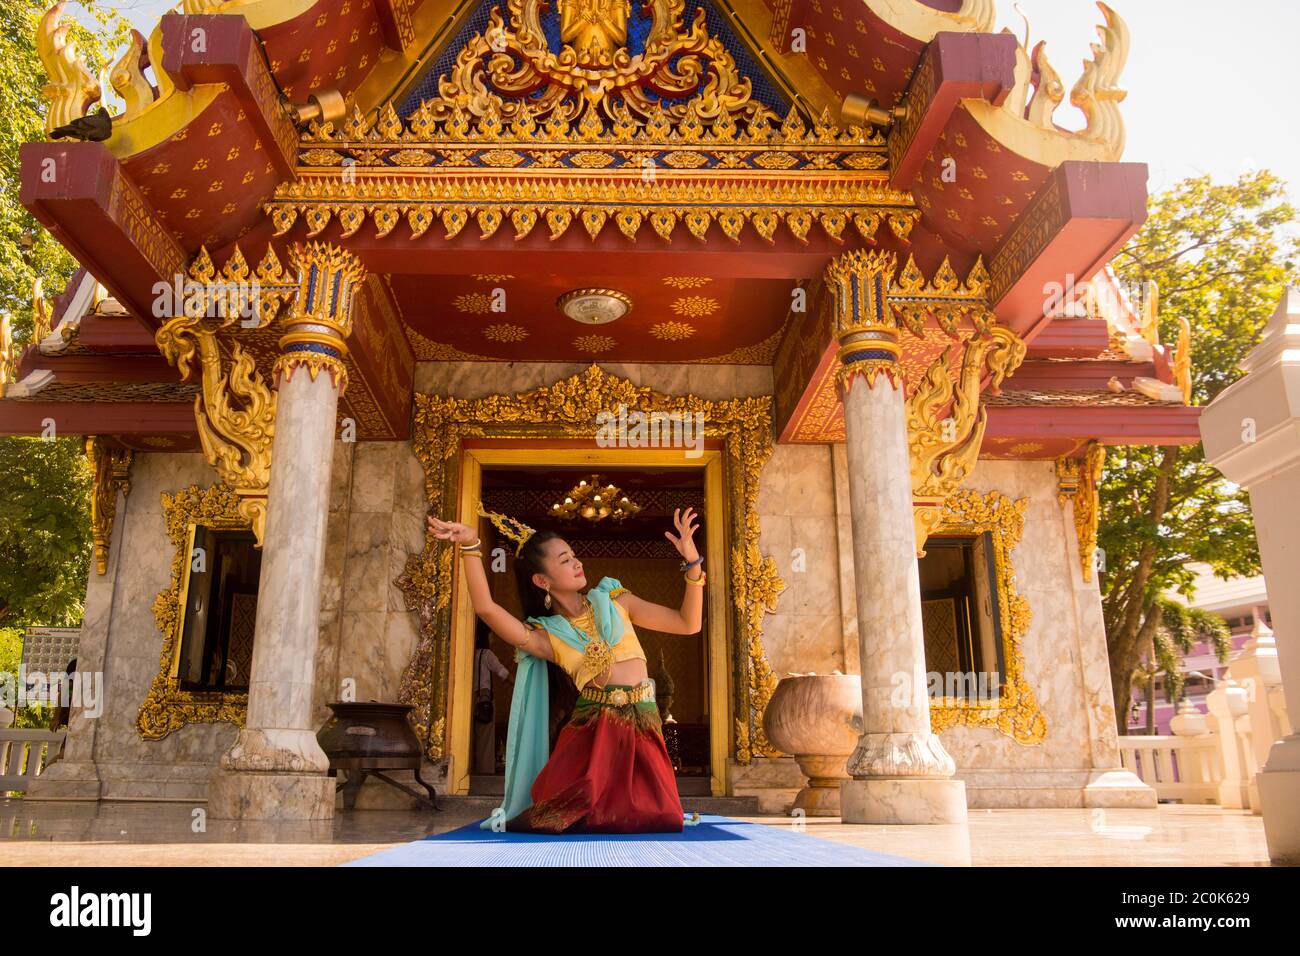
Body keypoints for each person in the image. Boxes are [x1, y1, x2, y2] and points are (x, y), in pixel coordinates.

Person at [426, 501, 705, 833]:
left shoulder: (617, 600)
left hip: (643, 724)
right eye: (565, 560)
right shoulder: (546, 637)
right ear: (542, 581)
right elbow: (486, 608)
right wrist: (471, 545)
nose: (577, 562)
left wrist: (692, 562)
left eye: (573, 555)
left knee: (662, 819)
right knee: (577, 818)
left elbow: (688, 624)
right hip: (593, 735)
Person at [473, 620, 511, 775]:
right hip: (484, 699)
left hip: (468, 699)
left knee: (471, 737)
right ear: (487, 636)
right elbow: (503, 673)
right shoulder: (487, 654)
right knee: (485, 739)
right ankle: (484, 770)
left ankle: (470, 768)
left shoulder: (470, 653)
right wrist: (519, 684)